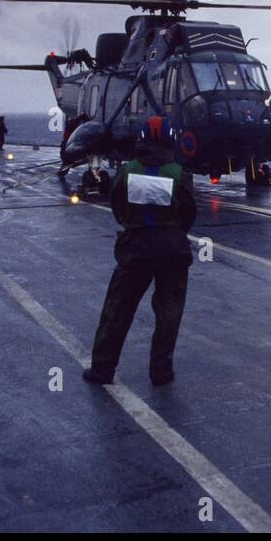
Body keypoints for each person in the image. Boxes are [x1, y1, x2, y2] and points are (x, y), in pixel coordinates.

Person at [82, 117, 196, 387]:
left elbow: (117, 207)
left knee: (118, 309)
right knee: (169, 312)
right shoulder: (179, 173)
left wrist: (135, 225)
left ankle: (102, 369)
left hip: (135, 249)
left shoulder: (127, 171)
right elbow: (189, 214)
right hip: (172, 251)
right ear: (171, 138)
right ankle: (161, 372)